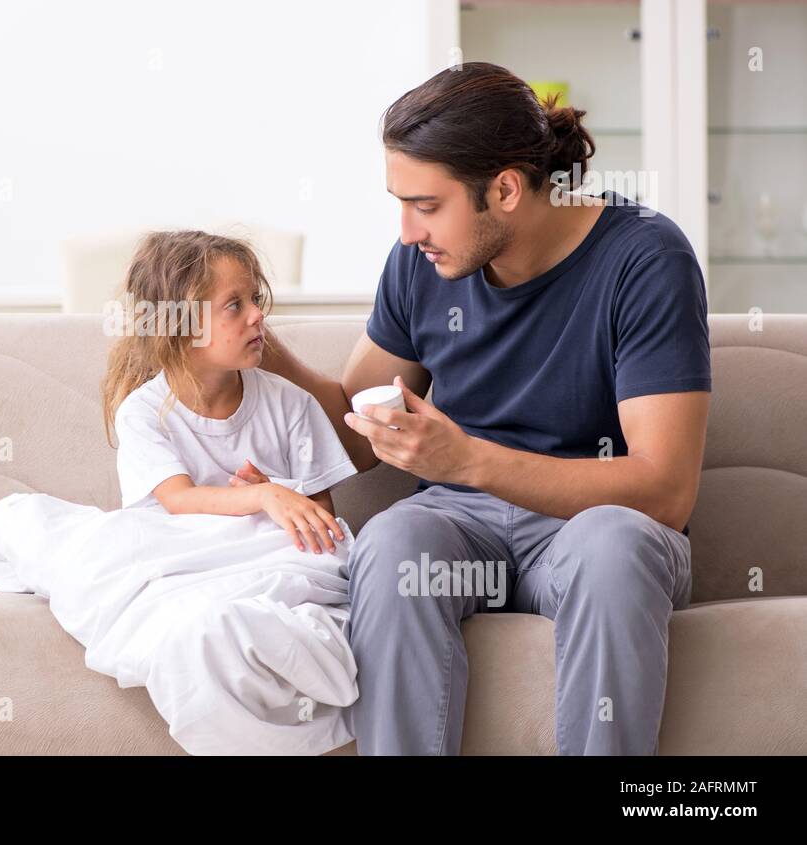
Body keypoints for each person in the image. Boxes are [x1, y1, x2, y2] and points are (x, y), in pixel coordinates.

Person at [253, 61, 711, 754]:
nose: (407, 231)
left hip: (592, 525)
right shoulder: (420, 264)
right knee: (391, 542)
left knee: (612, 548)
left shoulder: (644, 257)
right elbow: (356, 426)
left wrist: (466, 459)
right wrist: (265, 351)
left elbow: (666, 491)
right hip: (463, 530)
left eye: (426, 205)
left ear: (504, 189)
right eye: (399, 202)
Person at [102, 230, 358, 554]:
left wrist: (276, 492)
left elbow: (321, 517)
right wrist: (263, 496)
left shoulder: (292, 404)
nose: (257, 314)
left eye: (255, 299)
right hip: (182, 558)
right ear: (180, 325)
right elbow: (179, 498)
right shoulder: (143, 413)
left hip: (264, 559)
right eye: (234, 305)